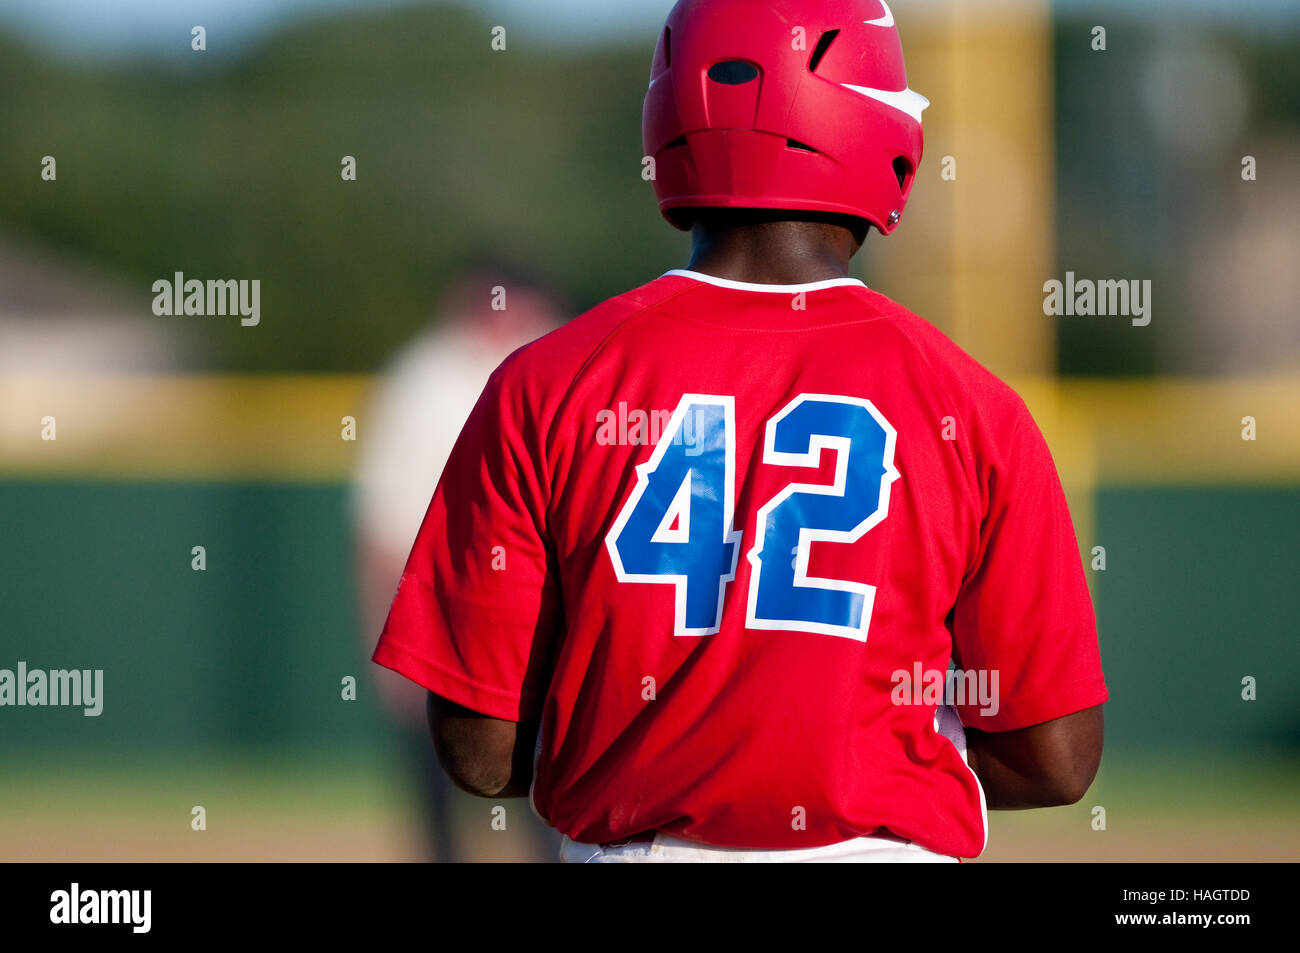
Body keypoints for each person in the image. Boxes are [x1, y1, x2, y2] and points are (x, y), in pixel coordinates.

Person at [373, 0, 1107, 862]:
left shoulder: (542, 381)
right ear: (882, 138)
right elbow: (1057, 758)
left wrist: (645, 753)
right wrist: (869, 764)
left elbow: (478, 746)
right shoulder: (973, 404)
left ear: (668, 127)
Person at [353, 259, 564, 861]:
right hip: (444, 602)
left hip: (541, 608)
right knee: (438, 799)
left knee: (550, 803)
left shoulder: (560, 354)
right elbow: (384, 525)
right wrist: (388, 638)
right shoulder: (426, 376)